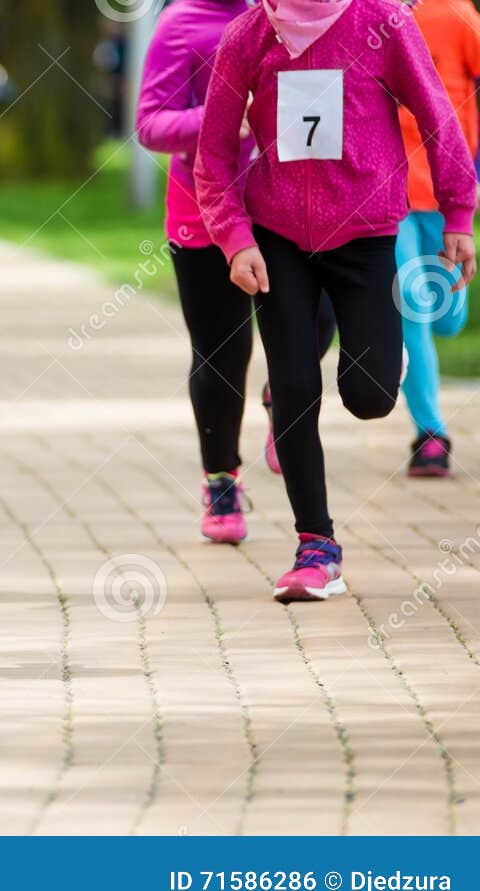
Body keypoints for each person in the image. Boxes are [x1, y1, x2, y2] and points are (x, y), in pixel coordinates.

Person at [196, 0, 477, 601]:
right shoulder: (249, 35)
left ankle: (383, 354)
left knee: (371, 397)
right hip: (278, 243)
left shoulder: (384, 22)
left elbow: (436, 111)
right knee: (293, 391)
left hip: (366, 235)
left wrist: (458, 209)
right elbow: (213, 155)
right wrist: (234, 238)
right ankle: (315, 548)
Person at [137, 0, 337, 545]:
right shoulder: (181, 23)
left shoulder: (280, 14)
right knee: (222, 353)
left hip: (283, 203)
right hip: (203, 211)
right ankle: (221, 481)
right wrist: (229, 112)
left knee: (321, 318)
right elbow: (150, 126)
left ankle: (281, 393)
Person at [394, 0, 480, 478]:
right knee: (411, 298)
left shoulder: (456, 13)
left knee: (445, 319)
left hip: (448, 192)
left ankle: (453, 302)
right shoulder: (367, 15)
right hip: (390, 194)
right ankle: (430, 434)